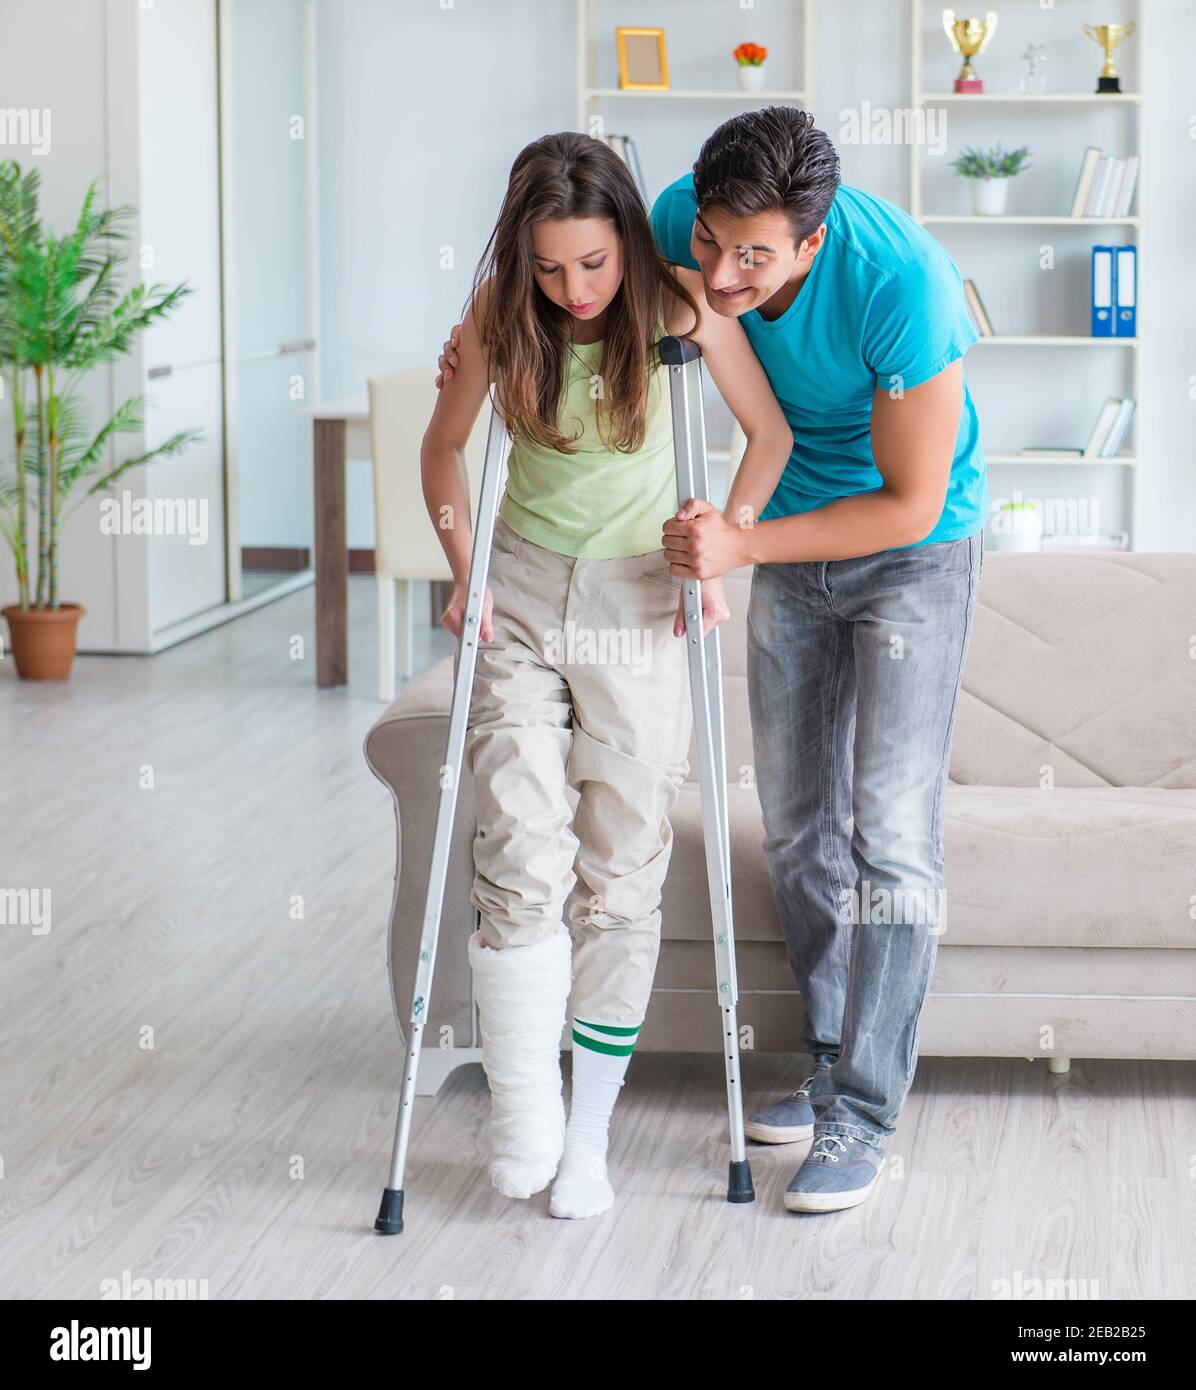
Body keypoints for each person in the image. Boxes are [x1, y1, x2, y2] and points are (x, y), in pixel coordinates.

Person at [439, 106, 987, 1216]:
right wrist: (725, 533)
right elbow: (569, 296)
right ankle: (826, 1058)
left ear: (811, 240)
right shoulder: (679, 225)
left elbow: (908, 499)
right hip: (780, 534)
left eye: (754, 256)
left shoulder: (905, 291)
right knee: (794, 823)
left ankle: (862, 1113)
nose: (723, 272)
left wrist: (732, 539)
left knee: (887, 831)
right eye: (712, 243)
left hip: (906, 549)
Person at [421, 130, 790, 1219]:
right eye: (547, 266)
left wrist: (723, 535)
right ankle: (524, 1107)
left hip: (641, 599)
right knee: (517, 846)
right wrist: (464, 569)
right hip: (524, 591)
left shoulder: (680, 303)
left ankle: (585, 1143)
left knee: (621, 869)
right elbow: (443, 452)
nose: (571, 289)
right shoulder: (499, 310)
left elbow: (763, 434)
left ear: (625, 238)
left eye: (591, 263)